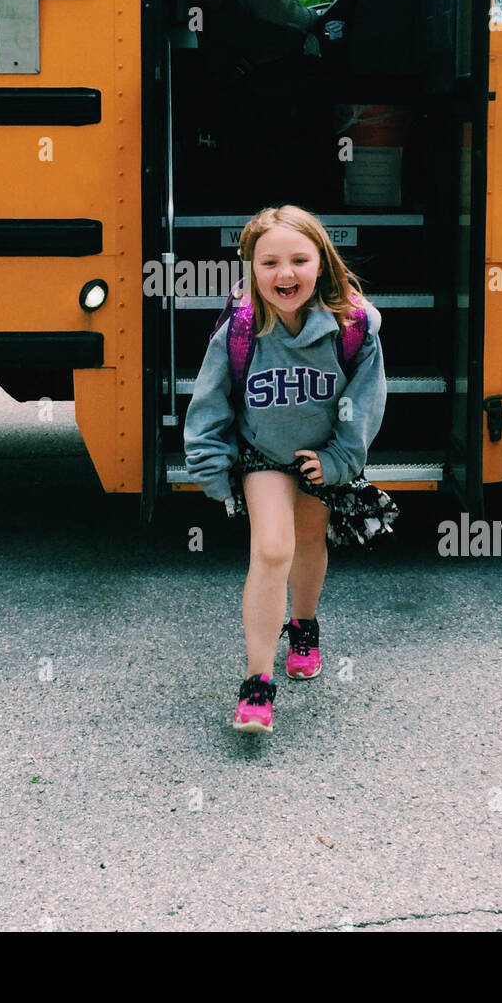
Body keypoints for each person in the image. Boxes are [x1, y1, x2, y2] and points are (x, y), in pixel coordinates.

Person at [183, 204, 399, 734]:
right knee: (272, 547)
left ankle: (303, 625)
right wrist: (211, 463)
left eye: (299, 260)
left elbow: (366, 401)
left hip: (320, 456)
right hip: (263, 453)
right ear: (250, 270)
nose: (285, 274)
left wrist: (340, 460)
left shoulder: (352, 329)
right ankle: (257, 683)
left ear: (321, 263)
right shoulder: (240, 330)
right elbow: (210, 399)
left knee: (309, 542)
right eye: (269, 262)